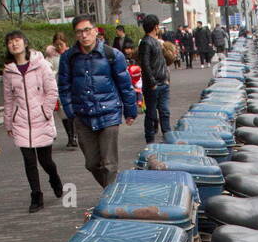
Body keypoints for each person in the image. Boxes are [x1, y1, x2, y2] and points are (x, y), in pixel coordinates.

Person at [58, 15, 137, 188]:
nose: (84, 35)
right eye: (79, 32)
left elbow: (125, 85)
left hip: (109, 113)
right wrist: (71, 113)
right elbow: (64, 87)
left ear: (95, 31)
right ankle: (114, 191)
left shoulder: (112, 55)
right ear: (75, 35)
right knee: (92, 163)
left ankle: (110, 202)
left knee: (109, 164)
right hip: (83, 116)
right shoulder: (68, 58)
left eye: (87, 30)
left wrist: (130, 111)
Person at [3, 31, 64, 213]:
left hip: (41, 119)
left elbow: (52, 90)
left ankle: (54, 178)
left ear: (25, 42)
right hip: (21, 121)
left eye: (17, 40)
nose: (14, 44)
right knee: (29, 160)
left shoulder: (41, 64)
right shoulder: (9, 71)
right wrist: (9, 122)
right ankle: (36, 196)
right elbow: (8, 99)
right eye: (10, 42)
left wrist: (45, 111)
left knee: (45, 161)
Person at [138, 14, 175, 144]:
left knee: (164, 111)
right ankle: (150, 139)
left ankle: (167, 135)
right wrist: (152, 83)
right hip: (153, 85)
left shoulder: (155, 41)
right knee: (152, 114)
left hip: (162, 82)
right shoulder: (146, 43)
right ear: (156, 27)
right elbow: (145, 64)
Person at [123, 40, 143, 110]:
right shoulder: (123, 58)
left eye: (129, 49)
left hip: (136, 75)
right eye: (126, 49)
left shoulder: (135, 57)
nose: (128, 50)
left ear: (132, 49)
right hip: (128, 76)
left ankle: (140, 101)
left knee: (139, 88)